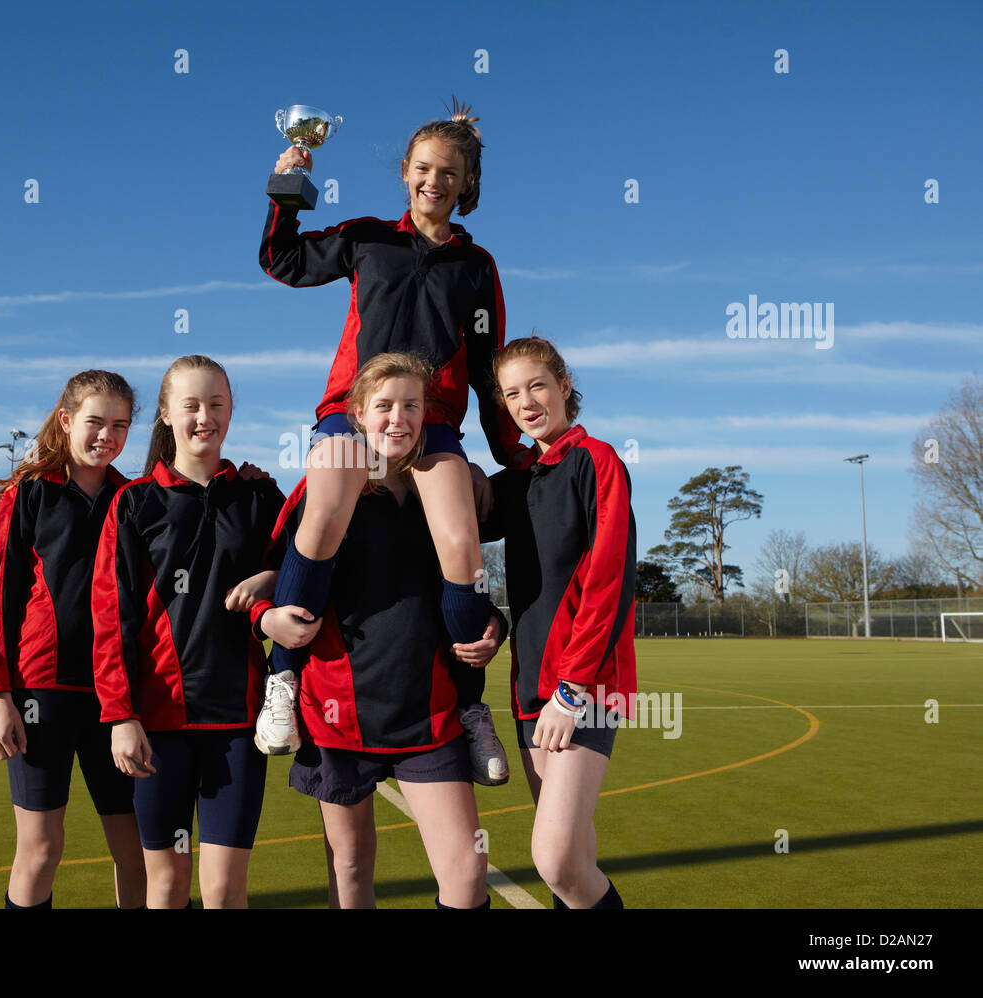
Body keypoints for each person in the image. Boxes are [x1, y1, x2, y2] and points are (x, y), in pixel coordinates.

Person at [256, 98, 522, 782]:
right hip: (351, 412)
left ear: (467, 184)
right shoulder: (367, 237)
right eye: (425, 168)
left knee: (460, 544)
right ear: (406, 171)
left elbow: (491, 371)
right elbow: (283, 260)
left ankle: (468, 707)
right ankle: (282, 676)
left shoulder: (477, 266)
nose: (436, 181)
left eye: (451, 172)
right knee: (326, 510)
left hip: (431, 424)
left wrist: (503, 457)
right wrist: (289, 184)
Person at [250, 353, 507, 909]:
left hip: (428, 709)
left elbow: (468, 586)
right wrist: (266, 621)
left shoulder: (444, 492)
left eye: (411, 406)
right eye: (384, 406)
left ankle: (474, 712)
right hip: (338, 708)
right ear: (358, 415)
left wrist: (495, 625)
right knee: (350, 865)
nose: (399, 418)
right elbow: (275, 582)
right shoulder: (327, 490)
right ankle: (283, 686)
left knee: (466, 871)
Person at [91, 355, 285, 909]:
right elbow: (113, 620)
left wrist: (272, 574)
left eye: (217, 404)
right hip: (158, 724)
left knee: (224, 891)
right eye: (192, 405)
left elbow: (308, 566)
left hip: (236, 722)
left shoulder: (258, 497)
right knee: (168, 886)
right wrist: (121, 717)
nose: (206, 416)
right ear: (166, 413)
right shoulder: (133, 503)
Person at [0, 369, 147, 910]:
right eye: (96, 422)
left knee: (136, 849)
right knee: (41, 848)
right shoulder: (29, 493)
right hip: (39, 696)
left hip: (115, 698)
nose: (107, 436)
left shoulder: (135, 499)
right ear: (67, 419)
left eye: (120, 425)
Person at [479, 335, 637, 909]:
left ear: (565, 386)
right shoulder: (520, 478)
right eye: (511, 394)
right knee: (574, 861)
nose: (526, 402)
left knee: (556, 861)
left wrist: (571, 691)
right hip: (529, 690)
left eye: (537, 385)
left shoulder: (595, 461)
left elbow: (609, 579)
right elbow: (448, 519)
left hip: (583, 689)